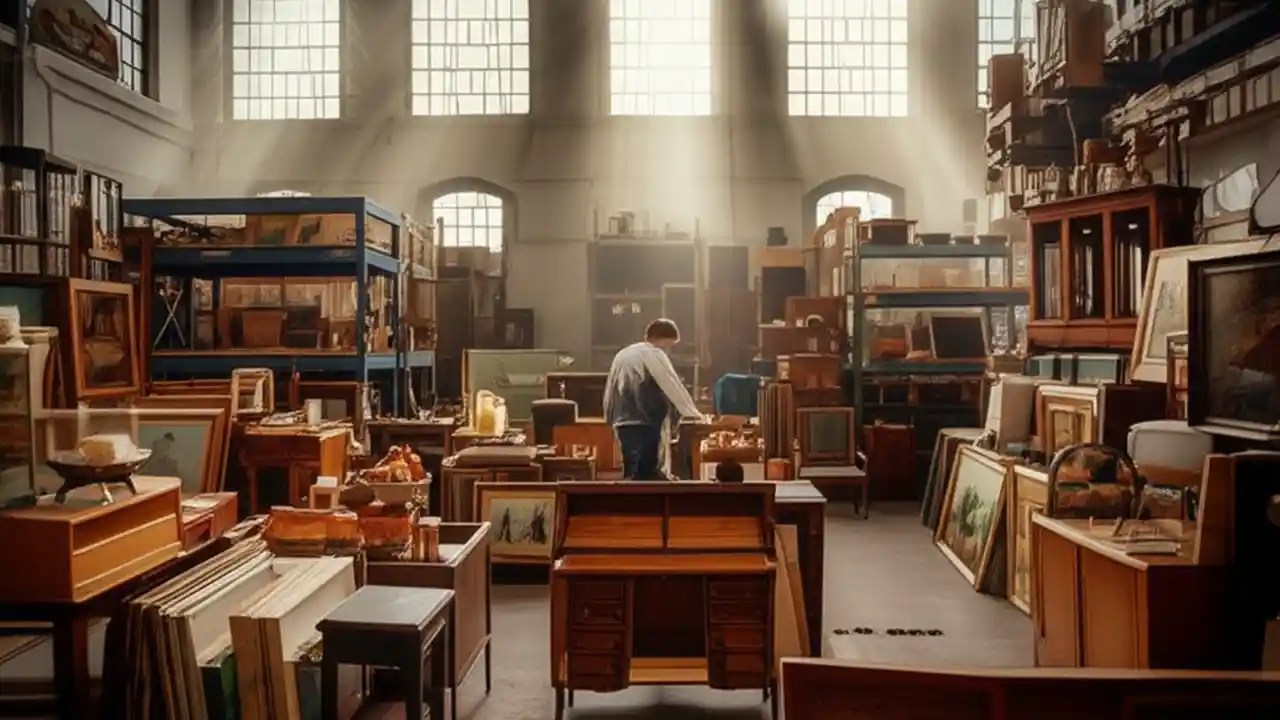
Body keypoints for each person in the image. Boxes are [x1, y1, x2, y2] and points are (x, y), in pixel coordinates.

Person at [604, 318, 704, 480]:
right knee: (647, 473)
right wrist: (693, 414)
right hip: (644, 422)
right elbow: (671, 383)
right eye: (671, 344)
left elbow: (610, 389)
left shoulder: (623, 354)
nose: (669, 350)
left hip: (622, 423)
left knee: (631, 470)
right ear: (663, 339)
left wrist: (608, 417)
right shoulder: (653, 353)